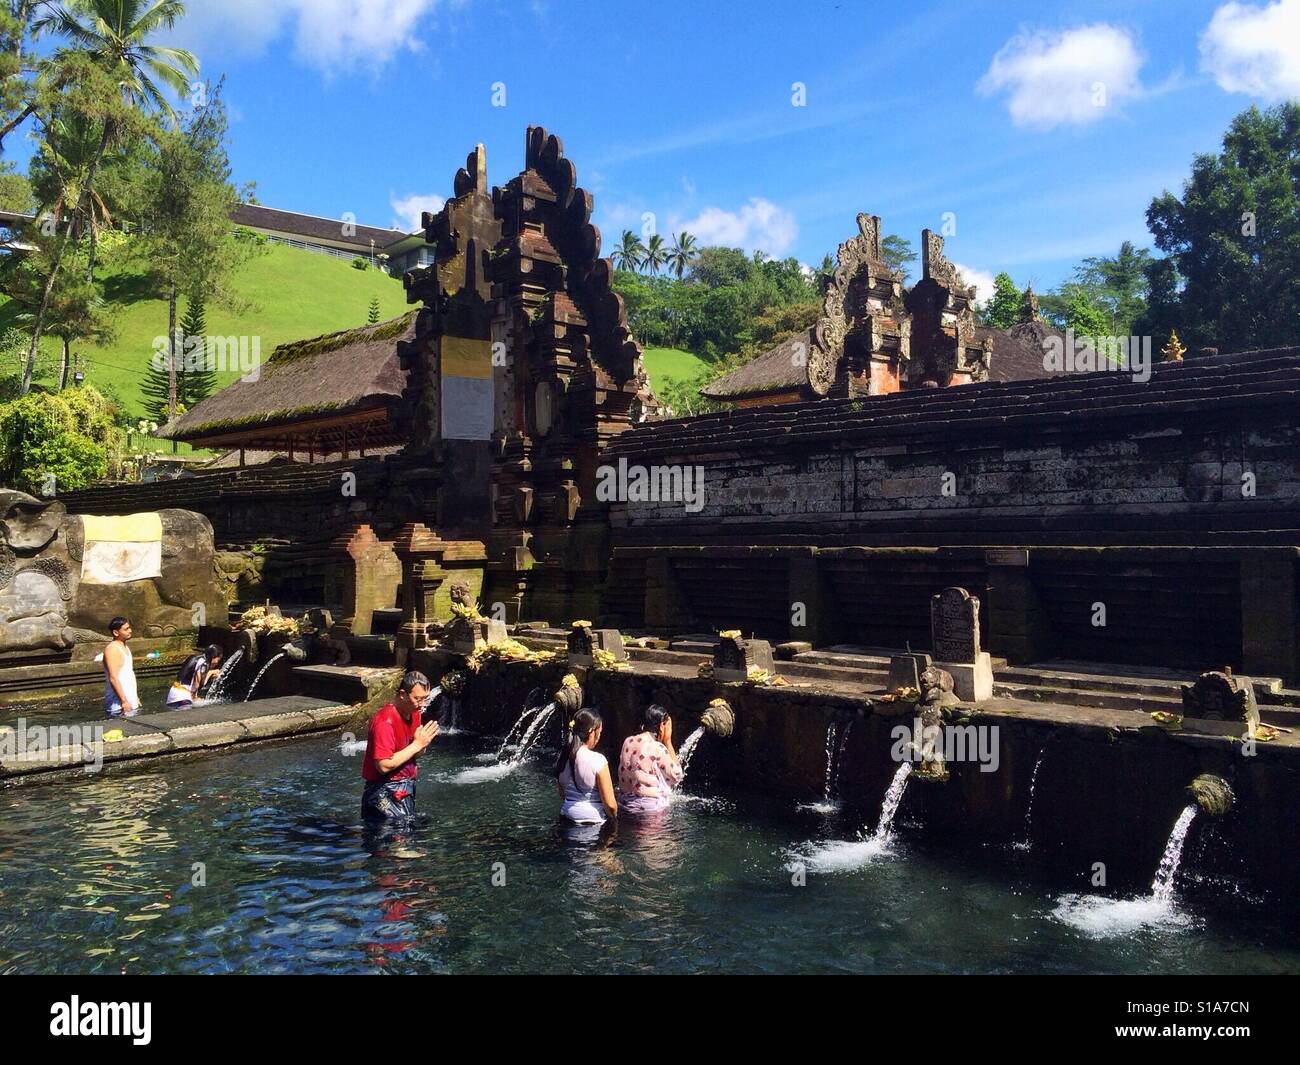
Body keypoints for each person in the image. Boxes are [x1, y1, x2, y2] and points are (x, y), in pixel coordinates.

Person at [361, 671, 439, 821]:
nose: (422, 704)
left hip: (405, 787)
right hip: (383, 792)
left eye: (425, 699)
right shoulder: (384, 722)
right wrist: (417, 745)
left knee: (416, 830)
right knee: (395, 837)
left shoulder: (415, 713)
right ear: (402, 694)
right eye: (417, 699)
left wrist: (422, 744)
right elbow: (383, 765)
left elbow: (414, 754)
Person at [555, 708, 618, 824]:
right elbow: (610, 806)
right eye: (599, 732)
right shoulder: (598, 759)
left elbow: (562, 793)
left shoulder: (563, 756)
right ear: (591, 731)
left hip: (566, 818)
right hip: (592, 823)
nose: (599, 736)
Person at [617, 704, 683, 814]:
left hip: (625, 805)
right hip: (650, 809)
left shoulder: (627, 741)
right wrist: (668, 741)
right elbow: (677, 775)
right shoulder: (657, 747)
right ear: (662, 725)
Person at [102, 616, 141, 718]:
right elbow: (113, 678)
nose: (130, 631)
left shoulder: (125, 647)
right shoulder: (112, 649)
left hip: (130, 701)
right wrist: (124, 701)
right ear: (116, 632)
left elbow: (129, 673)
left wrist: (135, 696)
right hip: (118, 705)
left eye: (129, 628)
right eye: (126, 629)